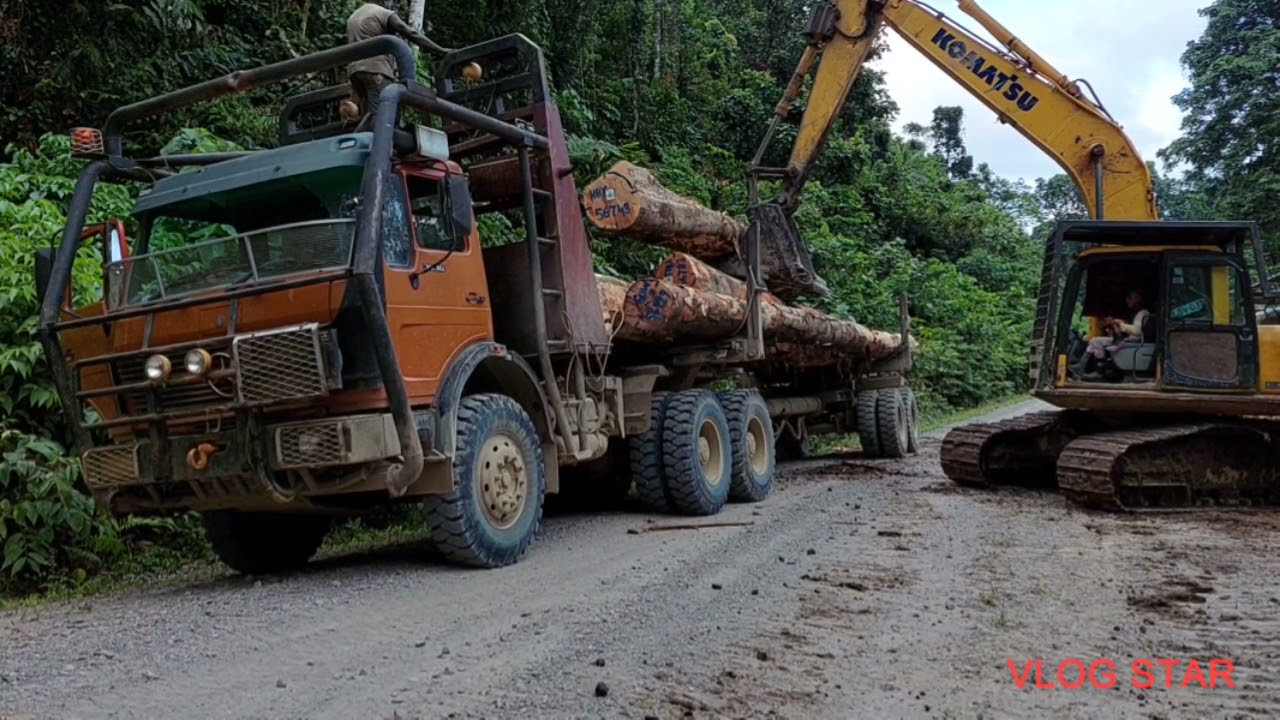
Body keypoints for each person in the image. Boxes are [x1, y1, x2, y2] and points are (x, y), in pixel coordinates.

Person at [345, 1, 453, 130]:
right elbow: (411, 33)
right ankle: (381, 147)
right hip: (375, 71)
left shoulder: (357, 15)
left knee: (369, 115)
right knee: (384, 116)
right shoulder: (385, 14)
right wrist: (441, 50)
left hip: (355, 72)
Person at [1073, 288, 1149, 378]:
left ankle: (1099, 371)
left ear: (1138, 299)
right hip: (1128, 340)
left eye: (1130, 298)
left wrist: (1120, 324)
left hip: (1134, 342)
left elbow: (1137, 331)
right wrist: (1115, 325)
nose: (1127, 300)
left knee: (1097, 341)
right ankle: (1082, 366)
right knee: (1096, 341)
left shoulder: (1142, 313)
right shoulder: (1135, 313)